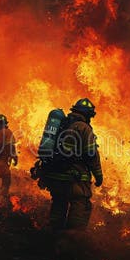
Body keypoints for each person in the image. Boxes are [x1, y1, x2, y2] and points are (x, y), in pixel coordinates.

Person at [43, 98, 103, 232]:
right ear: (88, 115)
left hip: (56, 177)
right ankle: (71, 244)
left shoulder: (62, 124)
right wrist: (98, 176)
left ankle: (51, 240)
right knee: (80, 211)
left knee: (58, 208)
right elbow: (91, 155)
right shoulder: (84, 128)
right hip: (74, 180)